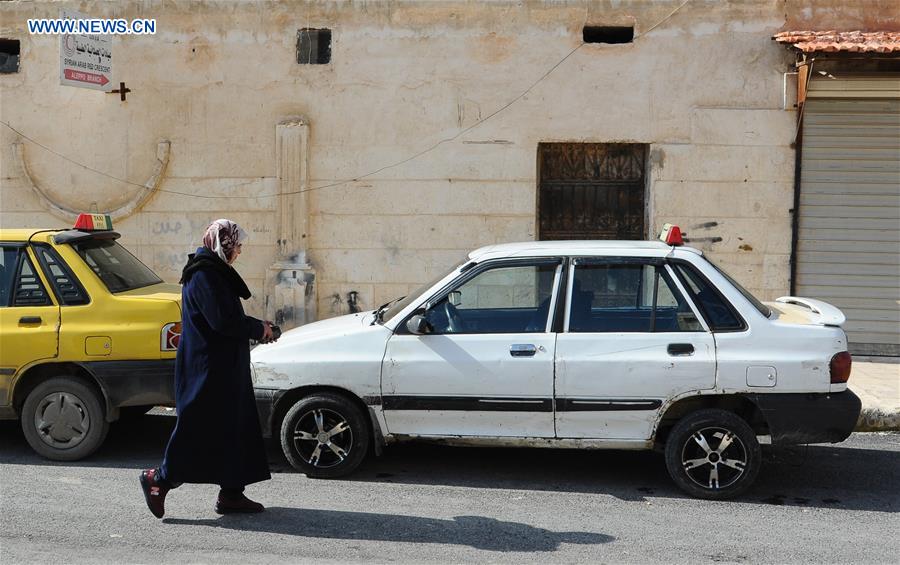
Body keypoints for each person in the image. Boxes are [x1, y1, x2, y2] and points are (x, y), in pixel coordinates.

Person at [140, 219, 276, 518]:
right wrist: (258, 329)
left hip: (223, 367)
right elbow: (222, 321)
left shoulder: (215, 271)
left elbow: (226, 316)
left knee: (235, 427)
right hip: (207, 370)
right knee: (197, 427)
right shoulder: (204, 275)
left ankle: (231, 494)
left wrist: (258, 329)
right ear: (223, 243)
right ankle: (158, 480)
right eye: (237, 245)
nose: (239, 251)